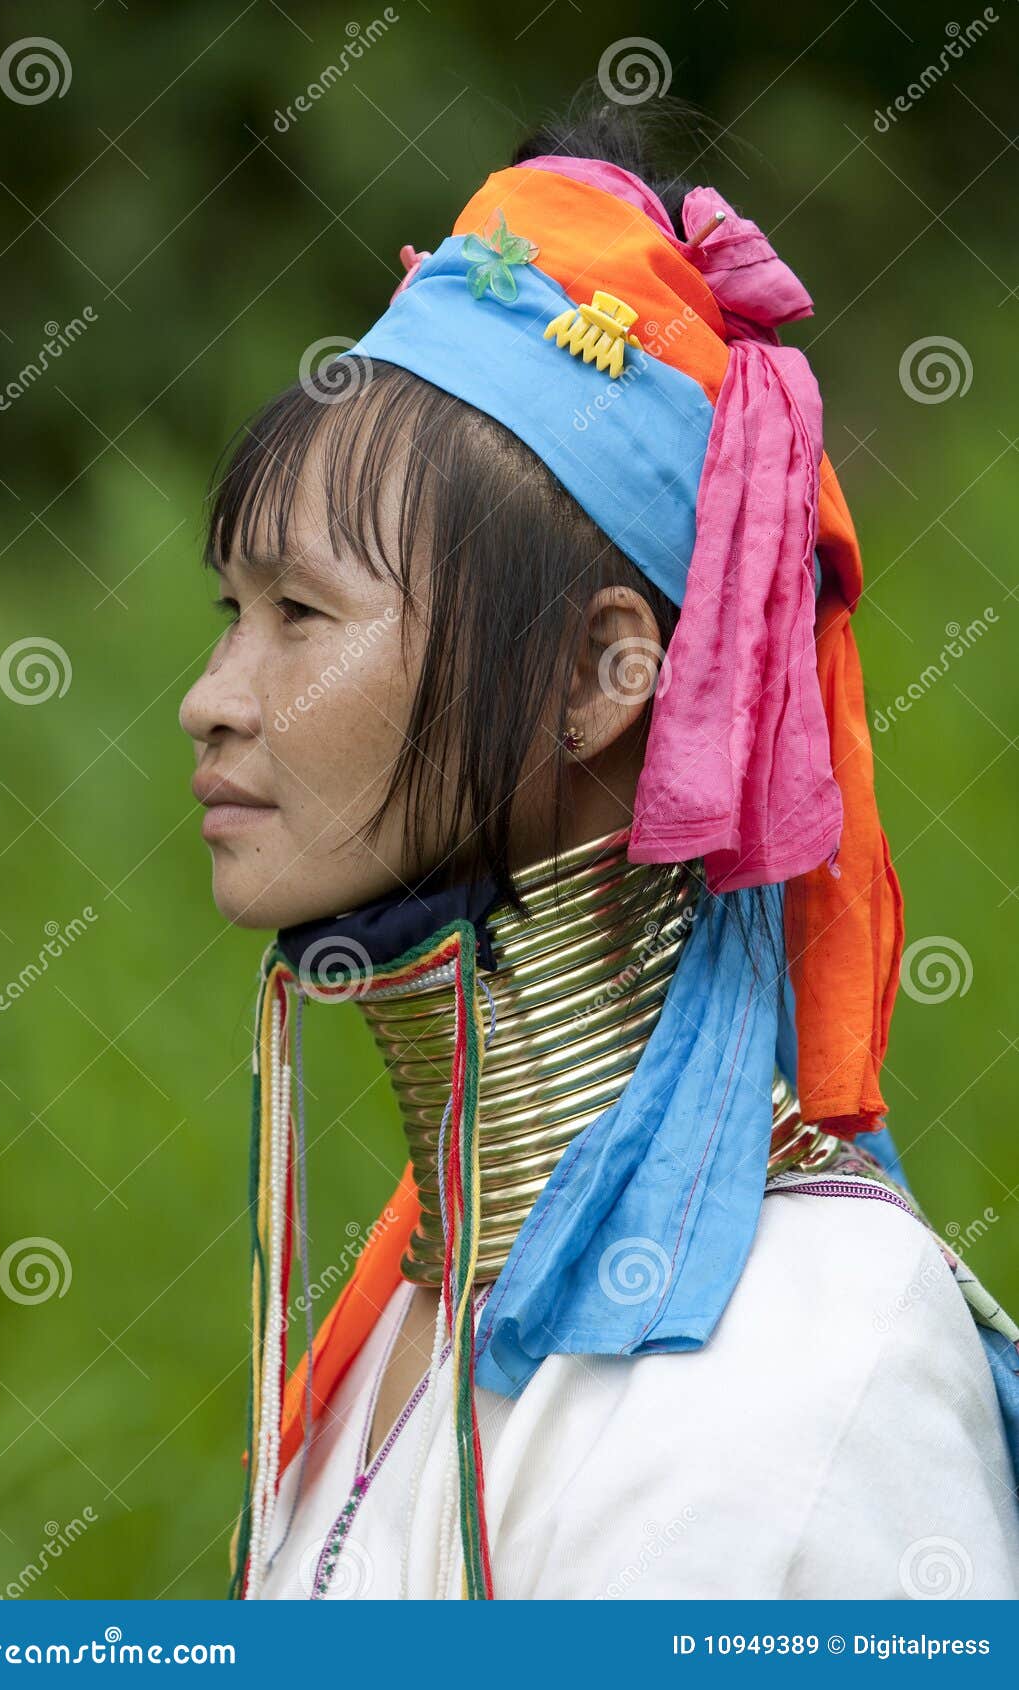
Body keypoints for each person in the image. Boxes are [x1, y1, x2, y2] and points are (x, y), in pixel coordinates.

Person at [179, 97, 1019, 1601]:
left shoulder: (799, 1362)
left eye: (300, 615)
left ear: (600, 672)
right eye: (229, 614)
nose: (212, 699)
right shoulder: (405, 1317)